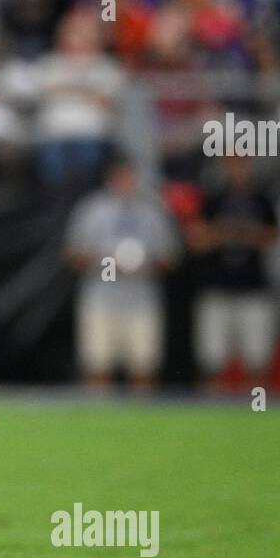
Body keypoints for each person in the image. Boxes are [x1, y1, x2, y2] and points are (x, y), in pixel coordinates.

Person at [65, 160, 178, 391]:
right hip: (101, 299)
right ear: (110, 179)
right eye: (120, 178)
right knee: (98, 365)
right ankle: (97, 422)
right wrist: (109, 262)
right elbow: (73, 254)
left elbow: (170, 257)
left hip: (141, 300)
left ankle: (144, 424)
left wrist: (142, 264)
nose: (125, 183)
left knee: (144, 366)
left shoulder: (152, 211)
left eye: (129, 177)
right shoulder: (92, 209)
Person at [187, 151, 280, 392]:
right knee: (212, 362)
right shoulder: (213, 199)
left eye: (241, 163)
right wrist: (221, 233)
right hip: (218, 289)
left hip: (253, 289)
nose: (236, 169)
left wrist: (246, 234)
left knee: (257, 362)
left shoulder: (262, 199)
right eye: (231, 163)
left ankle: (257, 414)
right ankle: (211, 419)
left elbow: (275, 238)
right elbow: (196, 240)